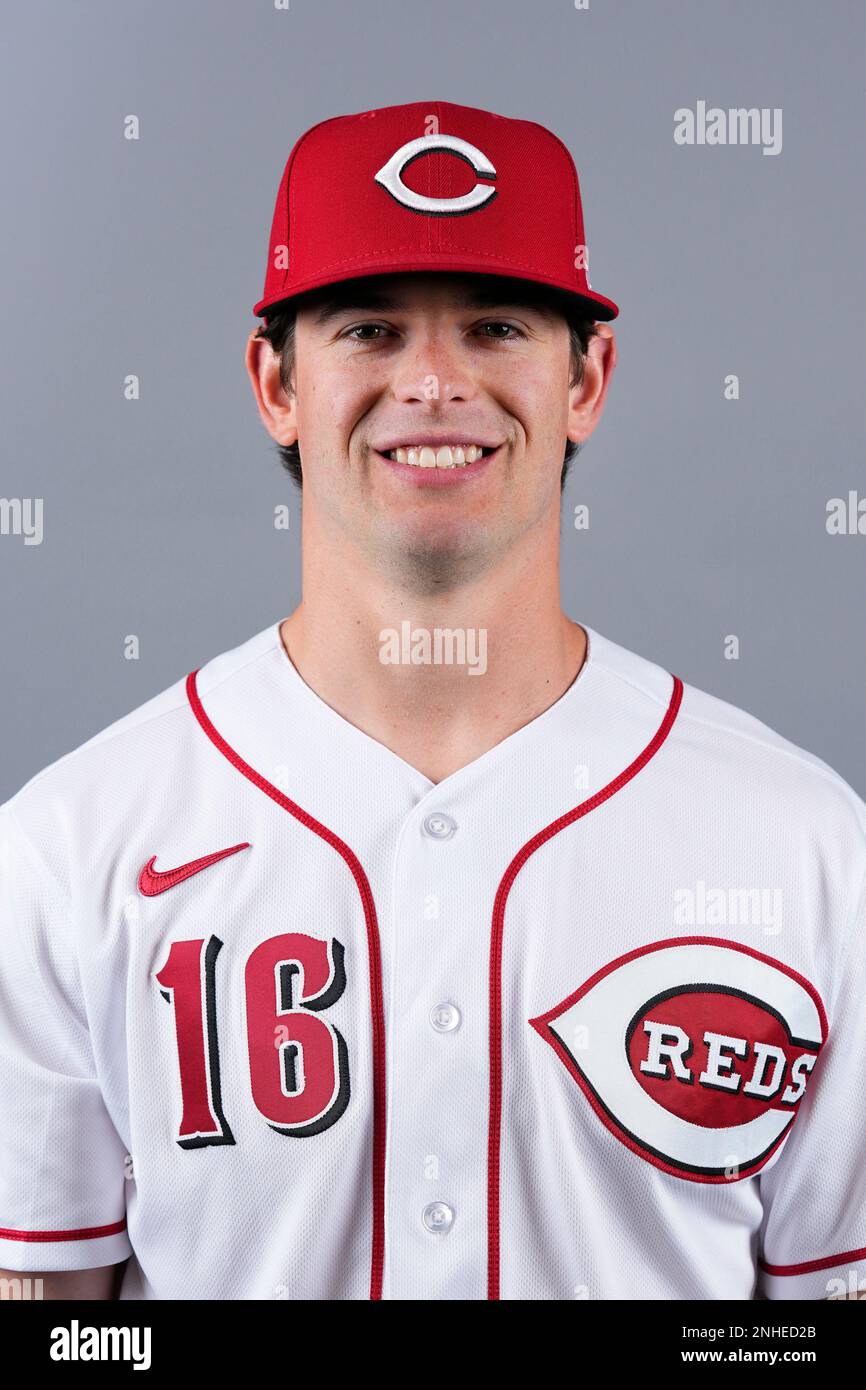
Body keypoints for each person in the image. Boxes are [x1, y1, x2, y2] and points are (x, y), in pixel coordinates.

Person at [1, 101, 864, 1302]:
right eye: (368, 328)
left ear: (585, 379)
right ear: (276, 383)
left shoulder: (805, 845)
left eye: (496, 325)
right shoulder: (70, 845)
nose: (434, 381)